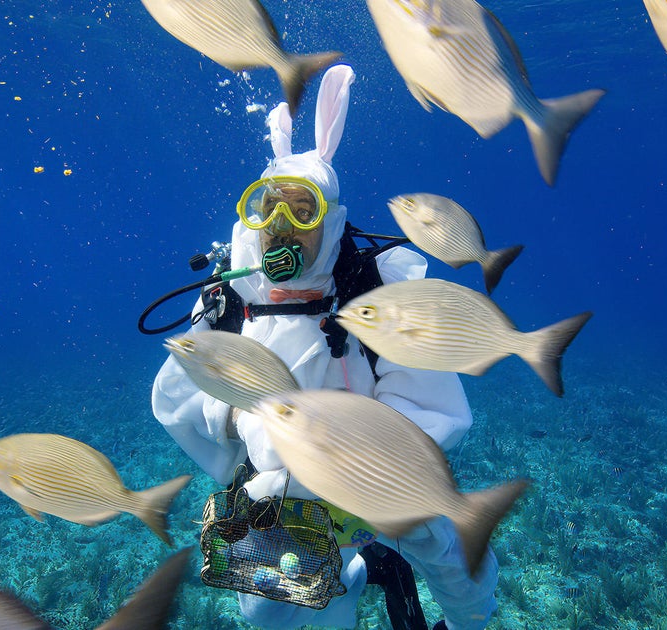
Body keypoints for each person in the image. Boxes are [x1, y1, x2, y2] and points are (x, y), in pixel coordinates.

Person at [151, 64, 499, 630]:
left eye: (303, 209)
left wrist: (357, 470)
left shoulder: (376, 287)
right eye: (267, 207)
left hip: (382, 477)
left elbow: (432, 403)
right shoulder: (227, 297)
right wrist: (245, 420)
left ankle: (468, 625)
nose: (281, 225)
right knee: (266, 613)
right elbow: (184, 395)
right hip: (282, 489)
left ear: (330, 220)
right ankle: (353, 577)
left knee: (453, 555)